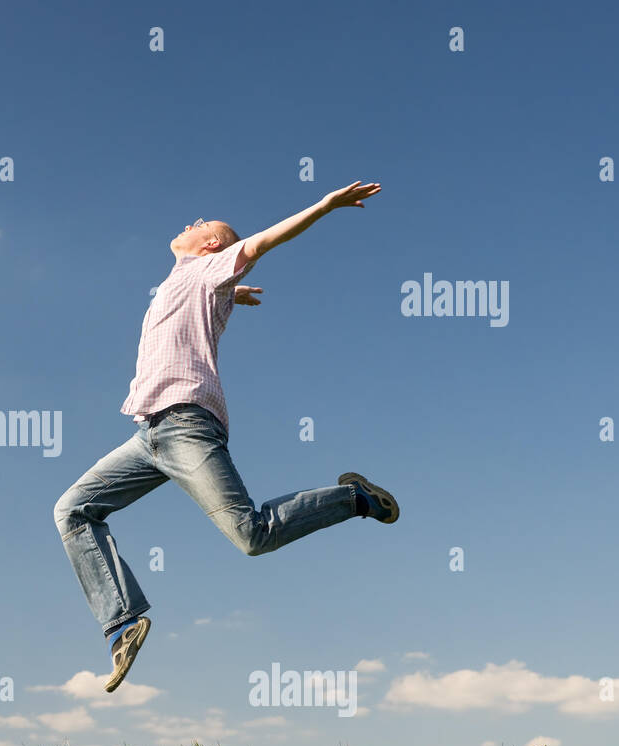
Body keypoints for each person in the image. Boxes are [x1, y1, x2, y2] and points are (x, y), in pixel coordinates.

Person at [52, 181, 398, 692]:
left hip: (187, 424)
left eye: (202, 224)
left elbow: (258, 244)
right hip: (149, 434)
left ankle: (355, 498)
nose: (191, 223)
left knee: (252, 536)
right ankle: (123, 622)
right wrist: (231, 295)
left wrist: (324, 206)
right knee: (73, 510)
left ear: (213, 245)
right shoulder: (189, 279)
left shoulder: (213, 266)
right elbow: (203, 296)